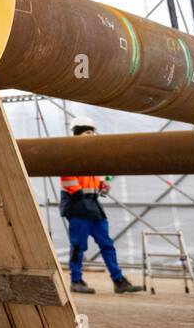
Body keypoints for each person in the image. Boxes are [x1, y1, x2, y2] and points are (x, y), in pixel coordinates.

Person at [61, 122, 142, 294]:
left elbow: (98, 182)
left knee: (107, 244)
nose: (92, 135)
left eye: (93, 132)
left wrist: (104, 181)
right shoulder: (69, 154)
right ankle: (76, 281)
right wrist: (80, 193)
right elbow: (69, 181)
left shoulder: (92, 157)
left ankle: (118, 280)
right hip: (78, 206)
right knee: (78, 246)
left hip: (92, 206)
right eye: (88, 132)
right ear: (78, 135)